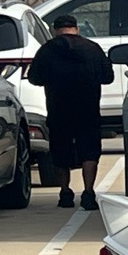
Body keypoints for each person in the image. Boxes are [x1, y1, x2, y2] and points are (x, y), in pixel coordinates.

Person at [26, 13, 113, 210]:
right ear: (76, 28)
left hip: (58, 108)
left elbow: (34, 78)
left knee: (60, 150)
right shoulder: (93, 49)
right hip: (88, 108)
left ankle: (65, 193)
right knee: (89, 151)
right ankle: (89, 192)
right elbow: (108, 77)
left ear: (55, 30)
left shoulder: (47, 50)